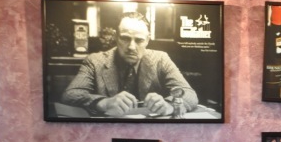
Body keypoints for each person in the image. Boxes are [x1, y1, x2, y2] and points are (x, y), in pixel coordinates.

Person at [62, 11, 198, 118]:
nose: (131, 47)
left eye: (139, 40)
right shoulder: (95, 61)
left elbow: (189, 94)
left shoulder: (160, 59)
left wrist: (169, 105)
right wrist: (104, 103)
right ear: (116, 37)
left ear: (147, 40)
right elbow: (71, 94)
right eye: (125, 38)